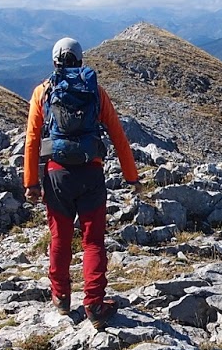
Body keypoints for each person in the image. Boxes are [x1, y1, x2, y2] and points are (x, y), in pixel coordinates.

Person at [23, 37, 142, 325]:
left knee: (60, 239)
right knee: (93, 242)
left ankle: (61, 298)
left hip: (56, 175)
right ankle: (94, 305)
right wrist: (131, 177)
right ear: (80, 61)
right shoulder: (96, 93)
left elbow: (32, 140)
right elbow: (118, 136)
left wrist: (31, 183)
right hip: (91, 173)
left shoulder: (42, 92)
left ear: (54, 63)